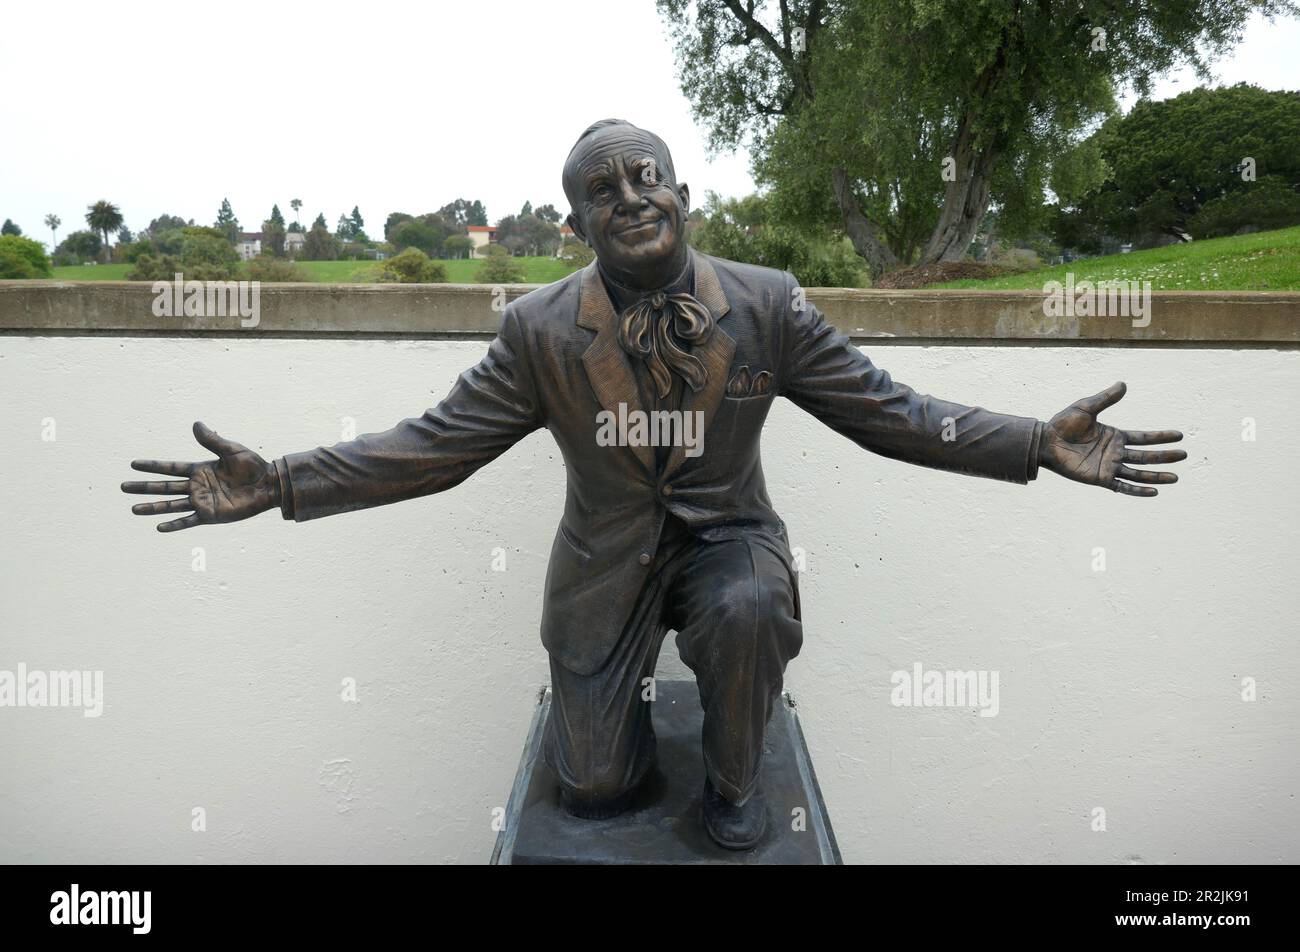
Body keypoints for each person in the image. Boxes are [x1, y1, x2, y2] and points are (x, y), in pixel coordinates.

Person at [123, 119, 1185, 850]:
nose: (629, 197)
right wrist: (284, 483)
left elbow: (886, 409)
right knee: (589, 787)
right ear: (577, 225)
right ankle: (611, 746)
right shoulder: (538, 331)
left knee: (748, 606)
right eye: (601, 192)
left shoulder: (768, 306)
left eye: (646, 177)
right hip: (603, 569)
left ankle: (733, 783)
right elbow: (436, 445)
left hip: (730, 542)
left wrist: (1032, 444)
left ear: (682, 192)